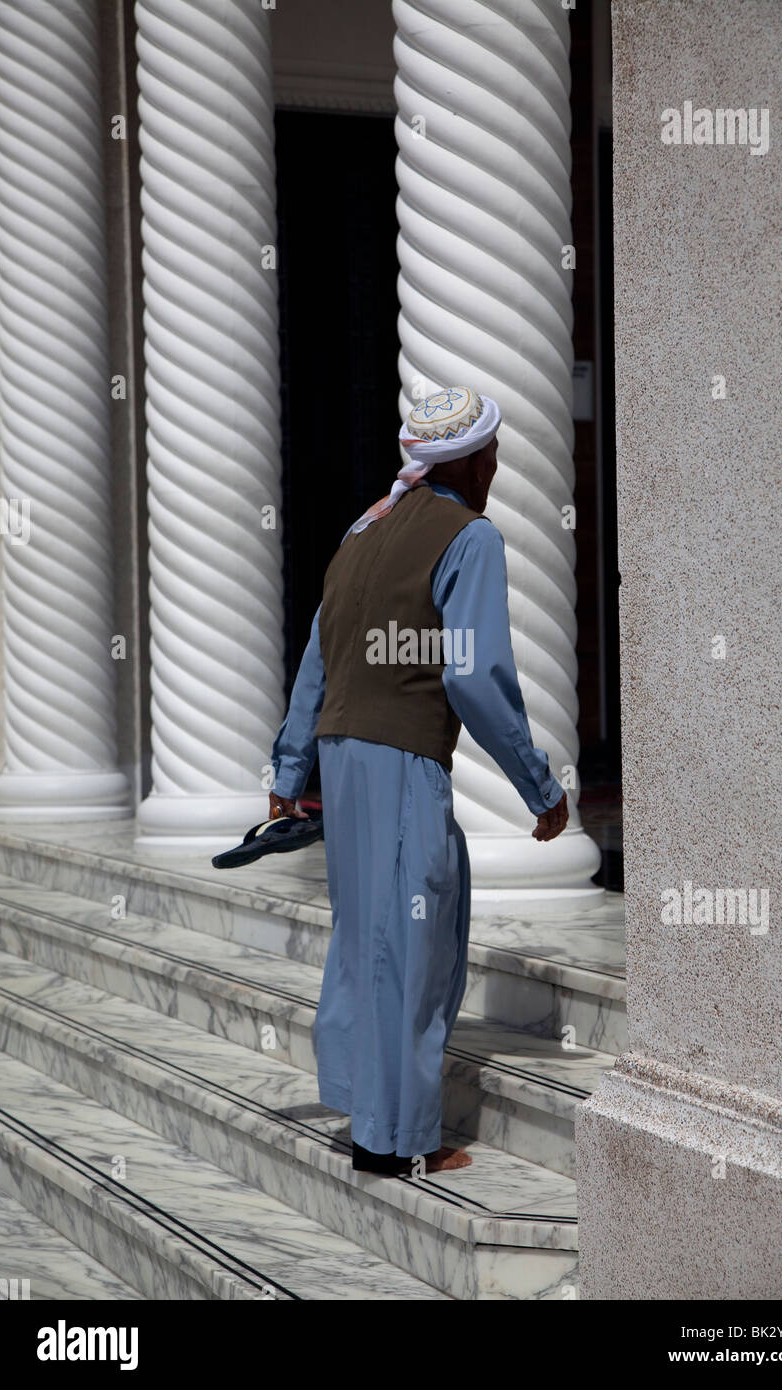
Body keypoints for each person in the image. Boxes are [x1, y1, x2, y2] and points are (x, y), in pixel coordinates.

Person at [269, 386, 568, 1175]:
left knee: (368, 932)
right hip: (400, 754)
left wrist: (290, 767)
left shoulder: (362, 528)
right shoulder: (470, 538)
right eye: (493, 455)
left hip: (341, 753)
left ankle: (368, 1110)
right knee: (411, 942)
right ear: (471, 462)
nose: (497, 469)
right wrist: (539, 786)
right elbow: (474, 678)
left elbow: (316, 659)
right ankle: (396, 1142)